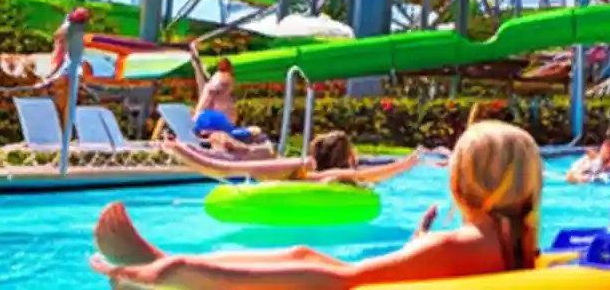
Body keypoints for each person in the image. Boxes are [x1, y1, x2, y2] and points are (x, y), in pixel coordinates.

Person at [91, 120, 544, 288]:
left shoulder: (460, 240)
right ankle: (163, 258)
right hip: (434, 256)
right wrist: (421, 243)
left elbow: (346, 280)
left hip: (355, 281)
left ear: (461, 184)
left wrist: (425, 245)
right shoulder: (520, 239)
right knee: (301, 253)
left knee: (327, 269)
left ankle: (177, 272)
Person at [164, 130, 425, 185]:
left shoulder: (321, 172)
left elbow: (365, 177)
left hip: (296, 175)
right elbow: (364, 175)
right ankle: (193, 153)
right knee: (225, 167)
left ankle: (192, 152)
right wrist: (405, 164)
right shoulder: (328, 174)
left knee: (234, 164)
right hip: (296, 172)